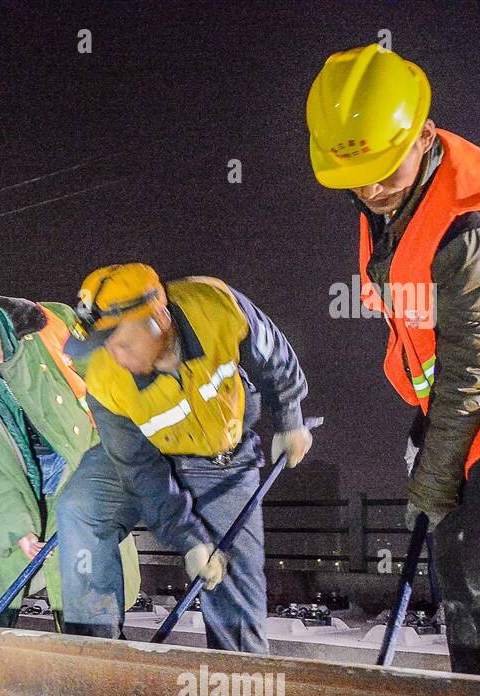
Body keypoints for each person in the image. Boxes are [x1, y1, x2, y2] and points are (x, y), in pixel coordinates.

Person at [307, 45, 480, 681]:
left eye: (383, 169)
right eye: (356, 174)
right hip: (464, 390)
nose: (370, 189)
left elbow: (471, 366)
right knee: (455, 560)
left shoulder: (473, 226)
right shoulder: (388, 194)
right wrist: (429, 434)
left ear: (424, 136)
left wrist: (435, 473)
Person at [57, 263, 311, 650]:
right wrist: (189, 539)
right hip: (144, 455)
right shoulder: (105, 379)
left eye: (121, 342)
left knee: (229, 583)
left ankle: (236, 685)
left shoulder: (215, 306)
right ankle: (94, 650)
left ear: (158, 318)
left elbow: (271, 353)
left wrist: (290, 417)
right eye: (106, 345)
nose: (115, 355)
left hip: (220, 460)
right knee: (81, 506)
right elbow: (141, 471)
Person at [0, 254, 140, 641]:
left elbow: (116, 383)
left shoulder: (50, 326)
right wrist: (15, 528)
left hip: (80, 465)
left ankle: (93, 665)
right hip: (13, 483)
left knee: (83, 586)